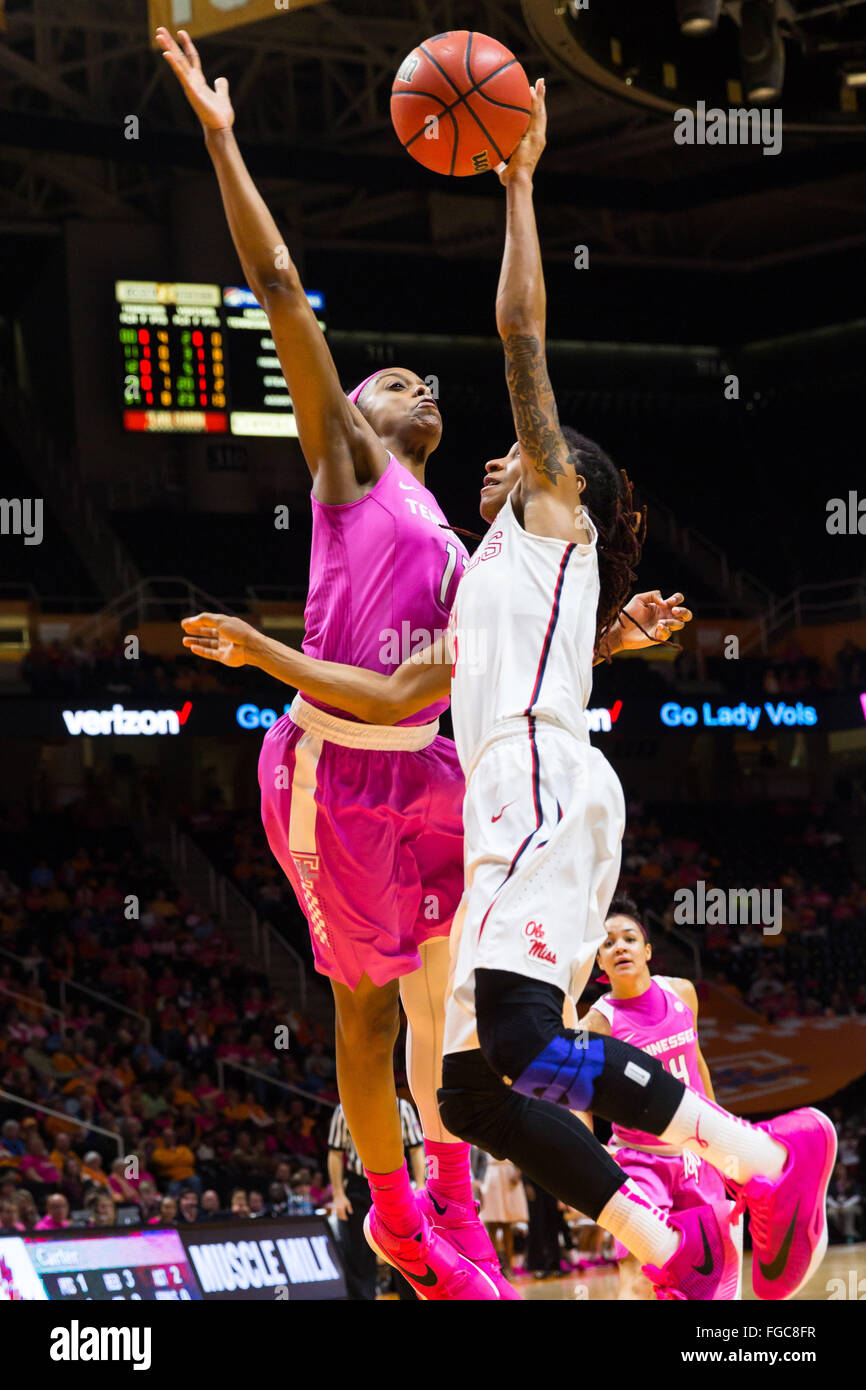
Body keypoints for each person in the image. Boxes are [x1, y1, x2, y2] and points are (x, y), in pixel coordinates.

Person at [181, 82, 836, 1301]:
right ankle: (666, 1242)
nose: (493, 445)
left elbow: (519, 340)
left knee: (506, 1042)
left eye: (521, 452)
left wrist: (520, 186)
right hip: (495, 796)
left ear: (558, 482)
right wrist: (612, 648)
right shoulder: (472, 557)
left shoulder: (544, 509)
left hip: (529, 792)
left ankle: (767, 1155)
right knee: (474, 1088)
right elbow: (487, 672)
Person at [159, 22, 498, 1301]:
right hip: (335, 777)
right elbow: (284, 286)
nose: (413, 380)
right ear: (351, 413)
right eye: (392, 372)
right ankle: (395, 1215)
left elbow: (434, 687)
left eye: (422, 379)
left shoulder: (458, 542)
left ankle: (457, 1194)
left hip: (426, 765)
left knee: (457, 1003)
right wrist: (221, 138)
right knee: (361, 1014)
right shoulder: (351, 476)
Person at [578, 896, 742, 1299]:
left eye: (629, 939)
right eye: (608, 942)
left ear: (648, 950)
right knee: (638, 1271)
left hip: (697, 1154)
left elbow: (698, 1065)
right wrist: (591, 1149)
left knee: (714, 1271)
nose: (619, 947)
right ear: (599, 962)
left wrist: (723, 1140)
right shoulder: (598, 1022)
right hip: (640, 1161)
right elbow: (574, 1094)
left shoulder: (683, 993)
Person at [327, 1097, 425, 1301]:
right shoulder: (343, 1109)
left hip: (396, 1185)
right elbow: (335, 1153)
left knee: (405, 1253)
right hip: (358, 1187)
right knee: (357, 1255)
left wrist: (421, 1186)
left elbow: (416, 1148)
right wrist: (338, 1194)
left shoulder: (402, 1107)